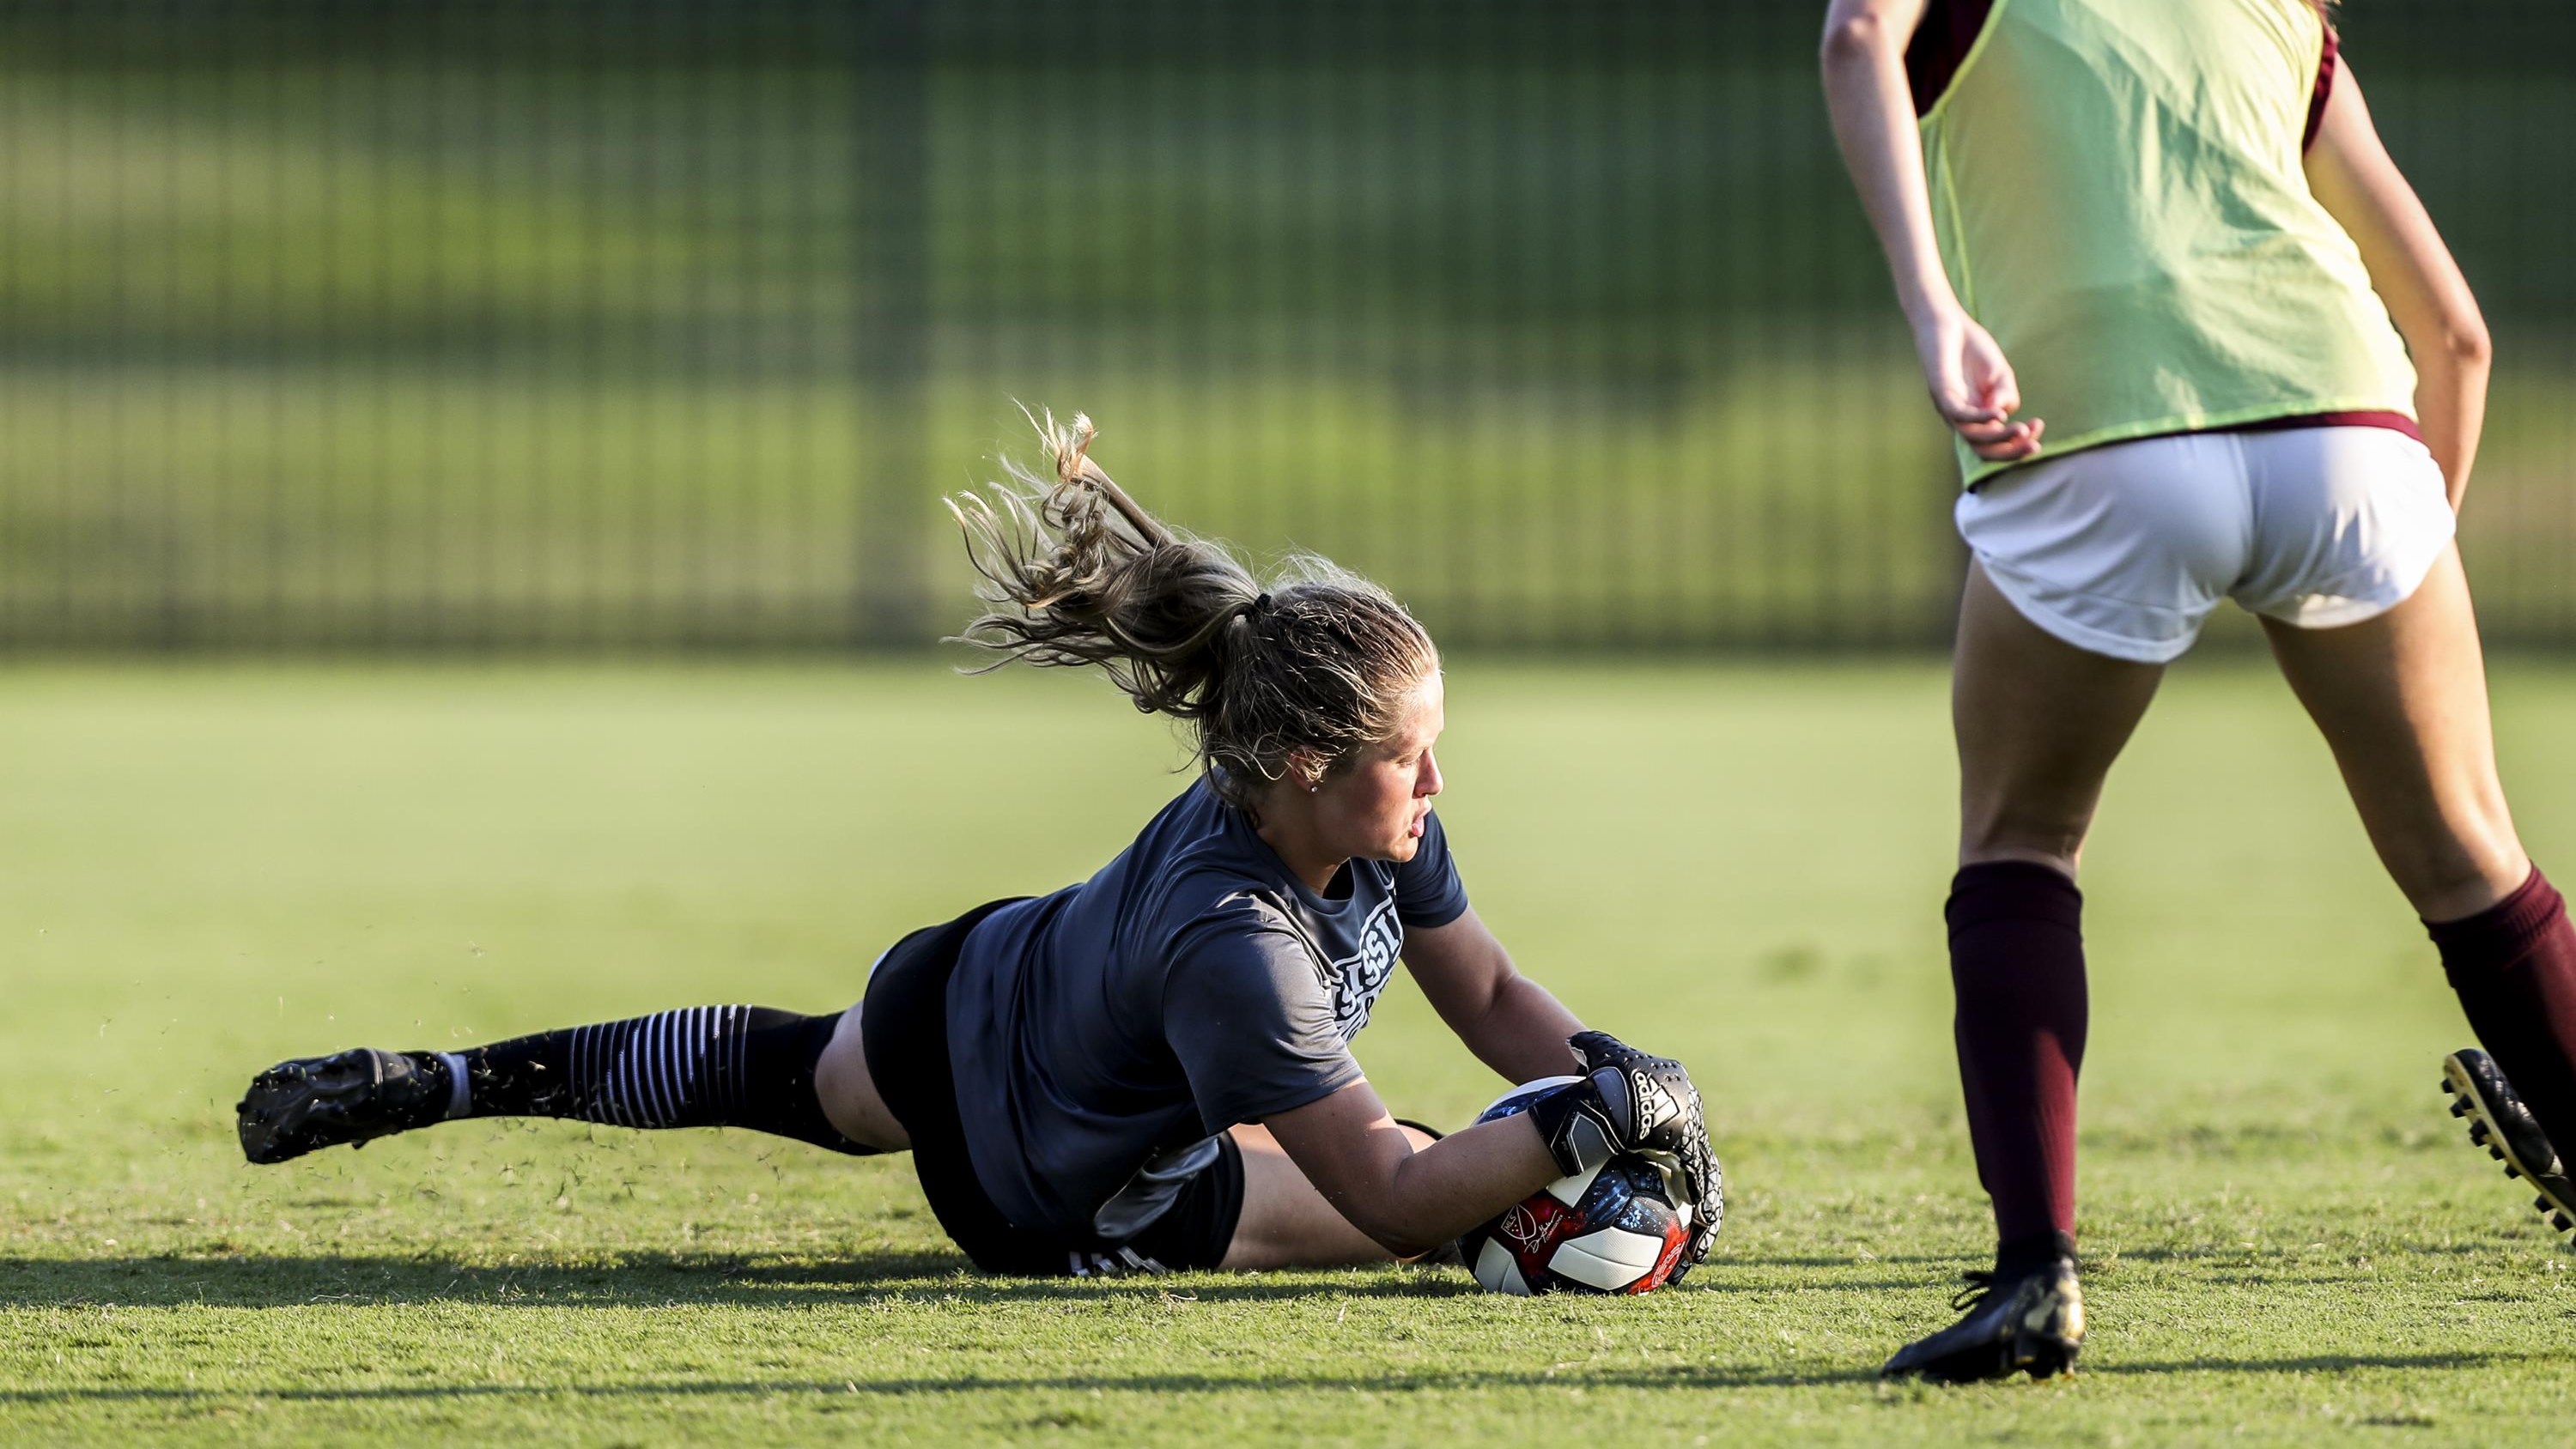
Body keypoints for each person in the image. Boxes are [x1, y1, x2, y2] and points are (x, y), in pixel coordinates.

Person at [234, 412, 1721, 1280]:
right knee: (1381, 1193)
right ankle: (441, 1086)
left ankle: (448, 1080)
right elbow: (1392, 1196)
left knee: (794, 1072)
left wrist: (1604, 1068)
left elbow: (1488, 990)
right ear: (1307, 764)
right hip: (1039, 1195)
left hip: (965, 986)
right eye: (1412, 754)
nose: (1439, 777)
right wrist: (1579, 1135)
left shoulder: (1371, 822)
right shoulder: (1242, 950)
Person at [1823, 0, 2576, 1382]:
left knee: (2022, 844)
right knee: (2473, 860)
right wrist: (2402, 550)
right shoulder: (2277, 9)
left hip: (2101, 430)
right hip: (2347, 428)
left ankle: (2036, 1280)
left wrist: (1936, 314)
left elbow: (1861, 29)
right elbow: (2456, 335)